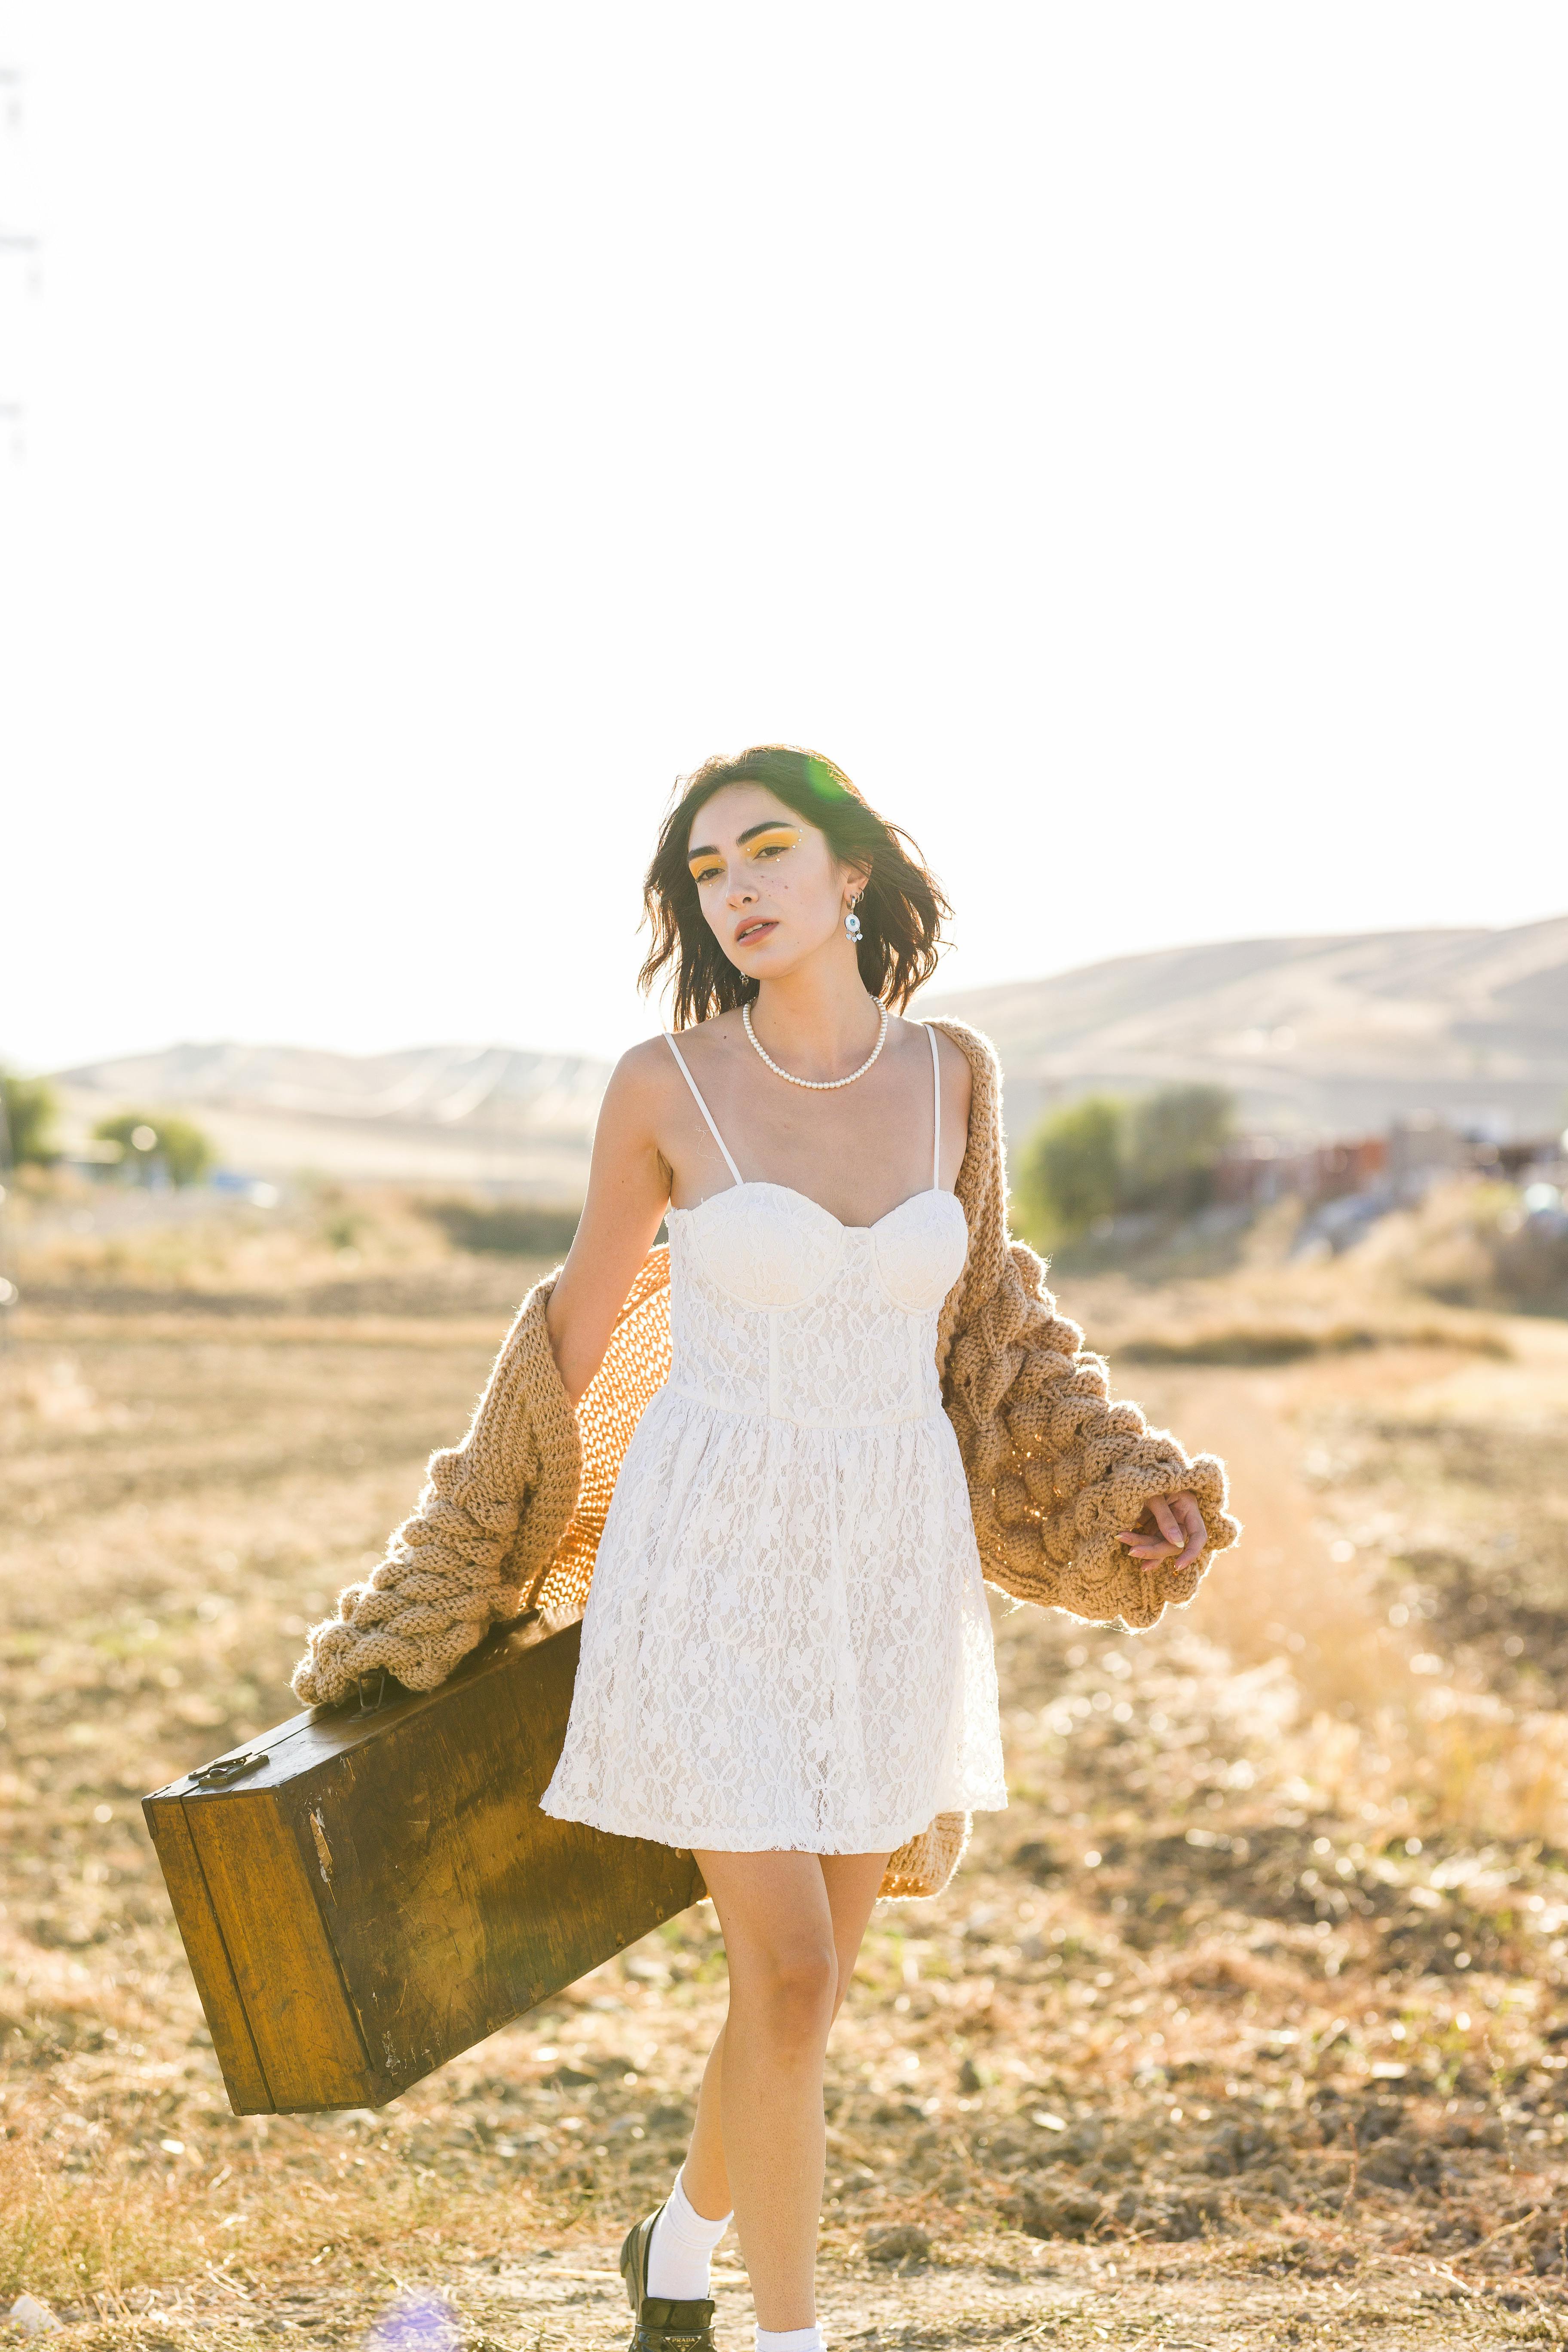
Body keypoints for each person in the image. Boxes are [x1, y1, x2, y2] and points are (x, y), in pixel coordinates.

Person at [527, 745, 1231, 2352]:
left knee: (812, 1988)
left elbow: (995, 1320)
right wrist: (482, 1558)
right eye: (707, 873)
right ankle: (790, 2338)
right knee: (781, 1980)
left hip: (887, 1566)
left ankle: (684, 2243)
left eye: (767, 852)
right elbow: (572, 1340)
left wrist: (1121, 1472)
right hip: (710, 1557)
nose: (738, 890)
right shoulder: (664, 1084)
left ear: (853, 874)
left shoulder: (953, 1080)